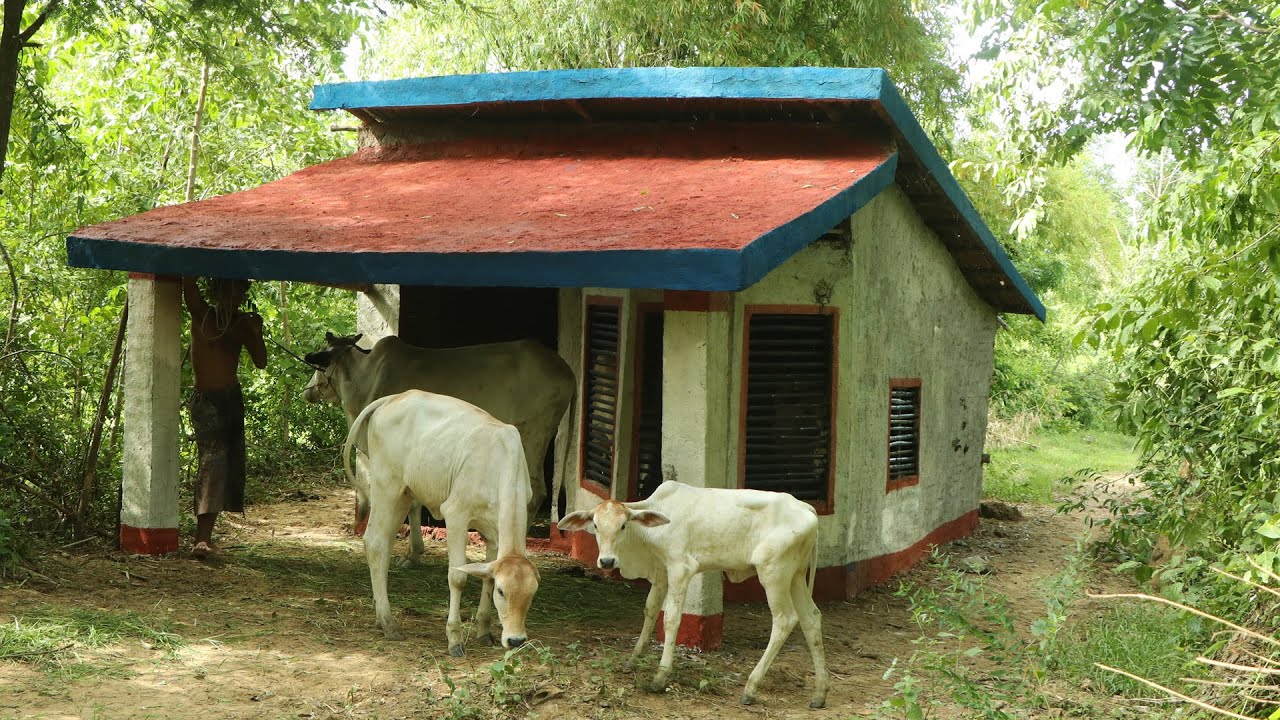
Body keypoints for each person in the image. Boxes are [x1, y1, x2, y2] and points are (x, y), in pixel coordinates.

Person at [182, 276, 267, 559]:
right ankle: (201, 539)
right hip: (206, 401)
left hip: (231, 399)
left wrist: (256, 333)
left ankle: (206, 537)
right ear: (216, 290)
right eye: (227, 291)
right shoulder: (201, 313)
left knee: (228, 465)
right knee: (213, 463)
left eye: (238, 293)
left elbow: (261, 361)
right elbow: (188, 286)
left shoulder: (242, 325)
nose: (233, 299)